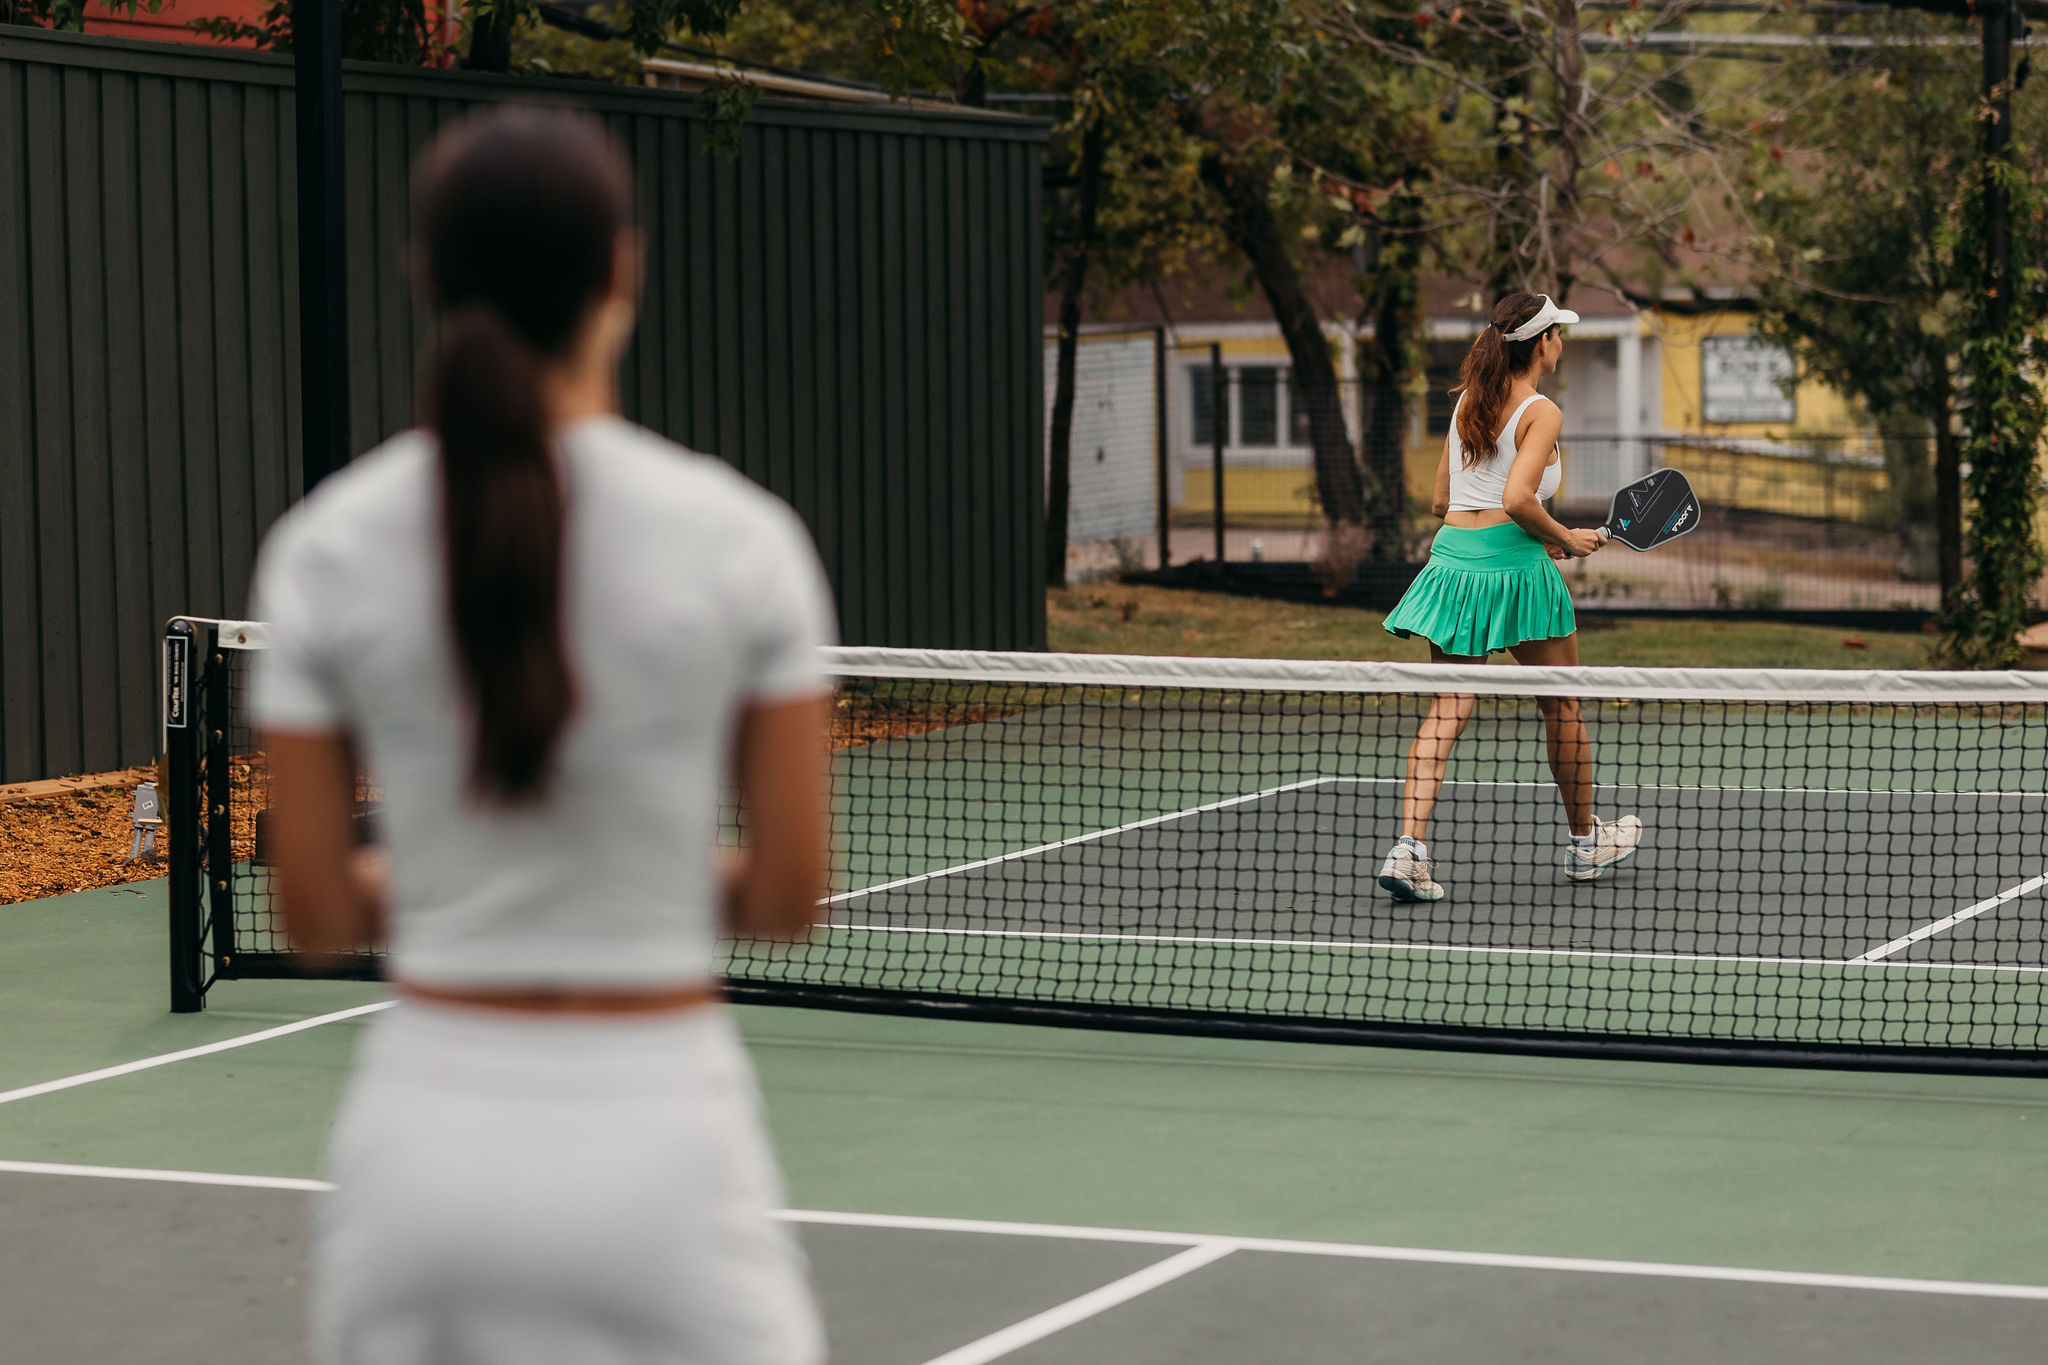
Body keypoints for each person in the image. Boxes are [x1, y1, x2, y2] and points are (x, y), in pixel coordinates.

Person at [251, 107, 832, 1365]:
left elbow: (308, 910)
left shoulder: (321, 549)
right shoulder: (742, 541)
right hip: (661, 1151)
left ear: (424, 277)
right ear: (622, 271)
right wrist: (603, 877)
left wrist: (476, 878)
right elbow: (787, 891)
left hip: (421, 1164)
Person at [1376, 291, 1642, 902]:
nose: (1562, 345)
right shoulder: (1542, 410)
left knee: (1447, 708)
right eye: (1559, 335)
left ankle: (1409, 849)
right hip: (1514, 570)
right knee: (1563, 706)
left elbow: (1443, 503)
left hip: (1452, 564)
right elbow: (1521, 500)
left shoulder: (1468, 401)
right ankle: (1584, 843)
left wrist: (1535, 541)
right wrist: (1565, 541)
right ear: (1542, 343)